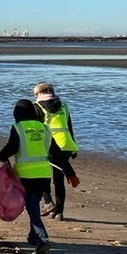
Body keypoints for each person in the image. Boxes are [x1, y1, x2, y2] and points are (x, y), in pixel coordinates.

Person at [0, 99, 78, 254]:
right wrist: (70, 172)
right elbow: (57, 153)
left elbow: (12, 147)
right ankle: (33, 236)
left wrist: (1, 156)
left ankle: (42, 239)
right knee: (34, 204)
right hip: (44, 175)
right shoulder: (44, 128)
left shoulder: (18, 128)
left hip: (26, 175)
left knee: (32, 207)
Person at [34, 82, 79, 221]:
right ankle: (59, 212)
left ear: (40, 93)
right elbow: (69, 127)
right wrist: (74, 147)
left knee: (40, 175)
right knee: (59, 180)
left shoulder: (37, 107)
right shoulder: (64, 106)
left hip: (49, 146)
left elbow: (36, 128)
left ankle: (48, 202)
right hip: (66, 145)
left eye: (35, 94)